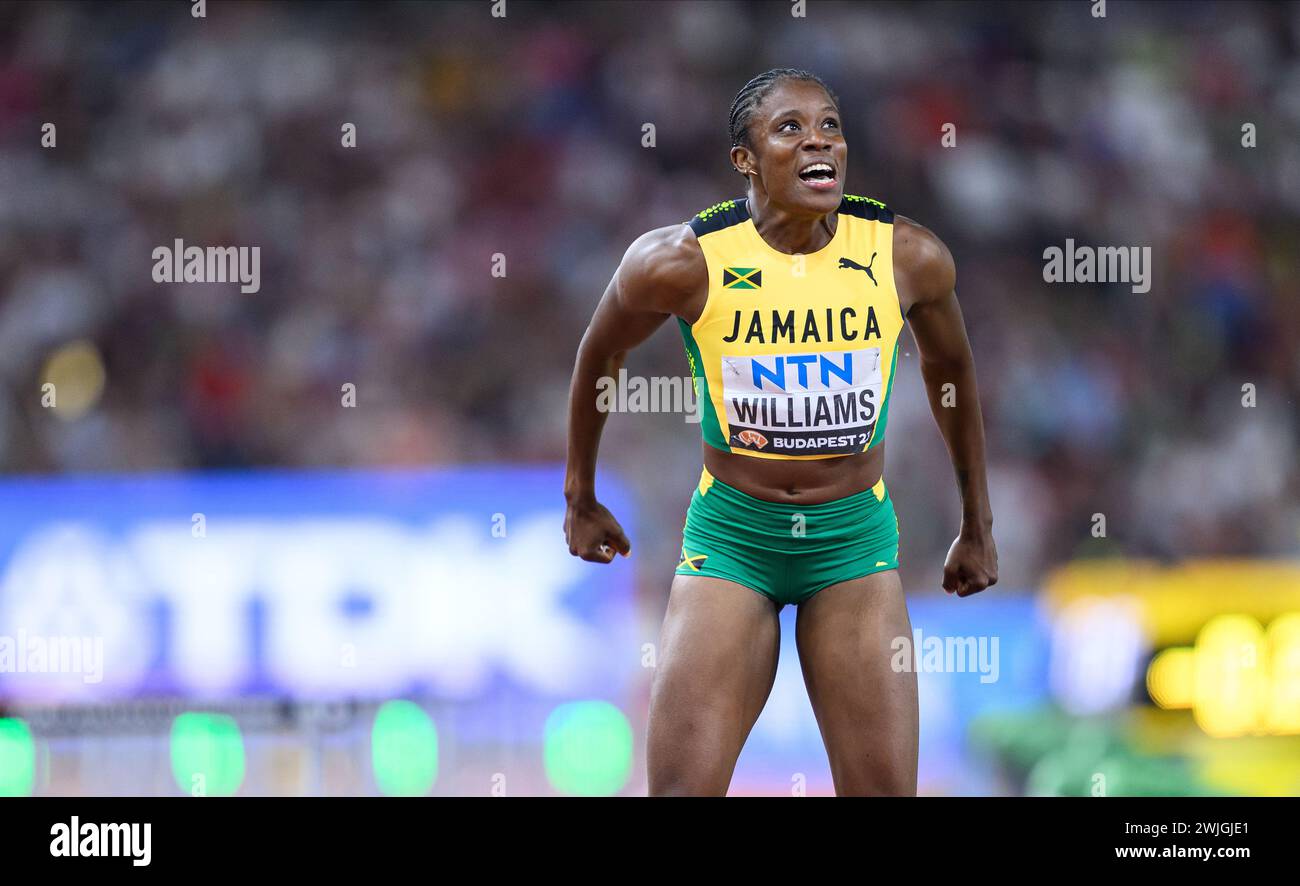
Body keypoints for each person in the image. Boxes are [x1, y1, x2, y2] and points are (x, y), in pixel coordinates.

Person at [564, 68, 997, 796]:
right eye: (789, 128)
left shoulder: (906, 256)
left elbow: (951, 371)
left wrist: (976, 525)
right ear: (745, 159)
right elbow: (598, 354)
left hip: (852, 542)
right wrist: (580, 494)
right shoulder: (681, 261)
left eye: (829, 126)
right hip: (734, 537)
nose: (817, 141)